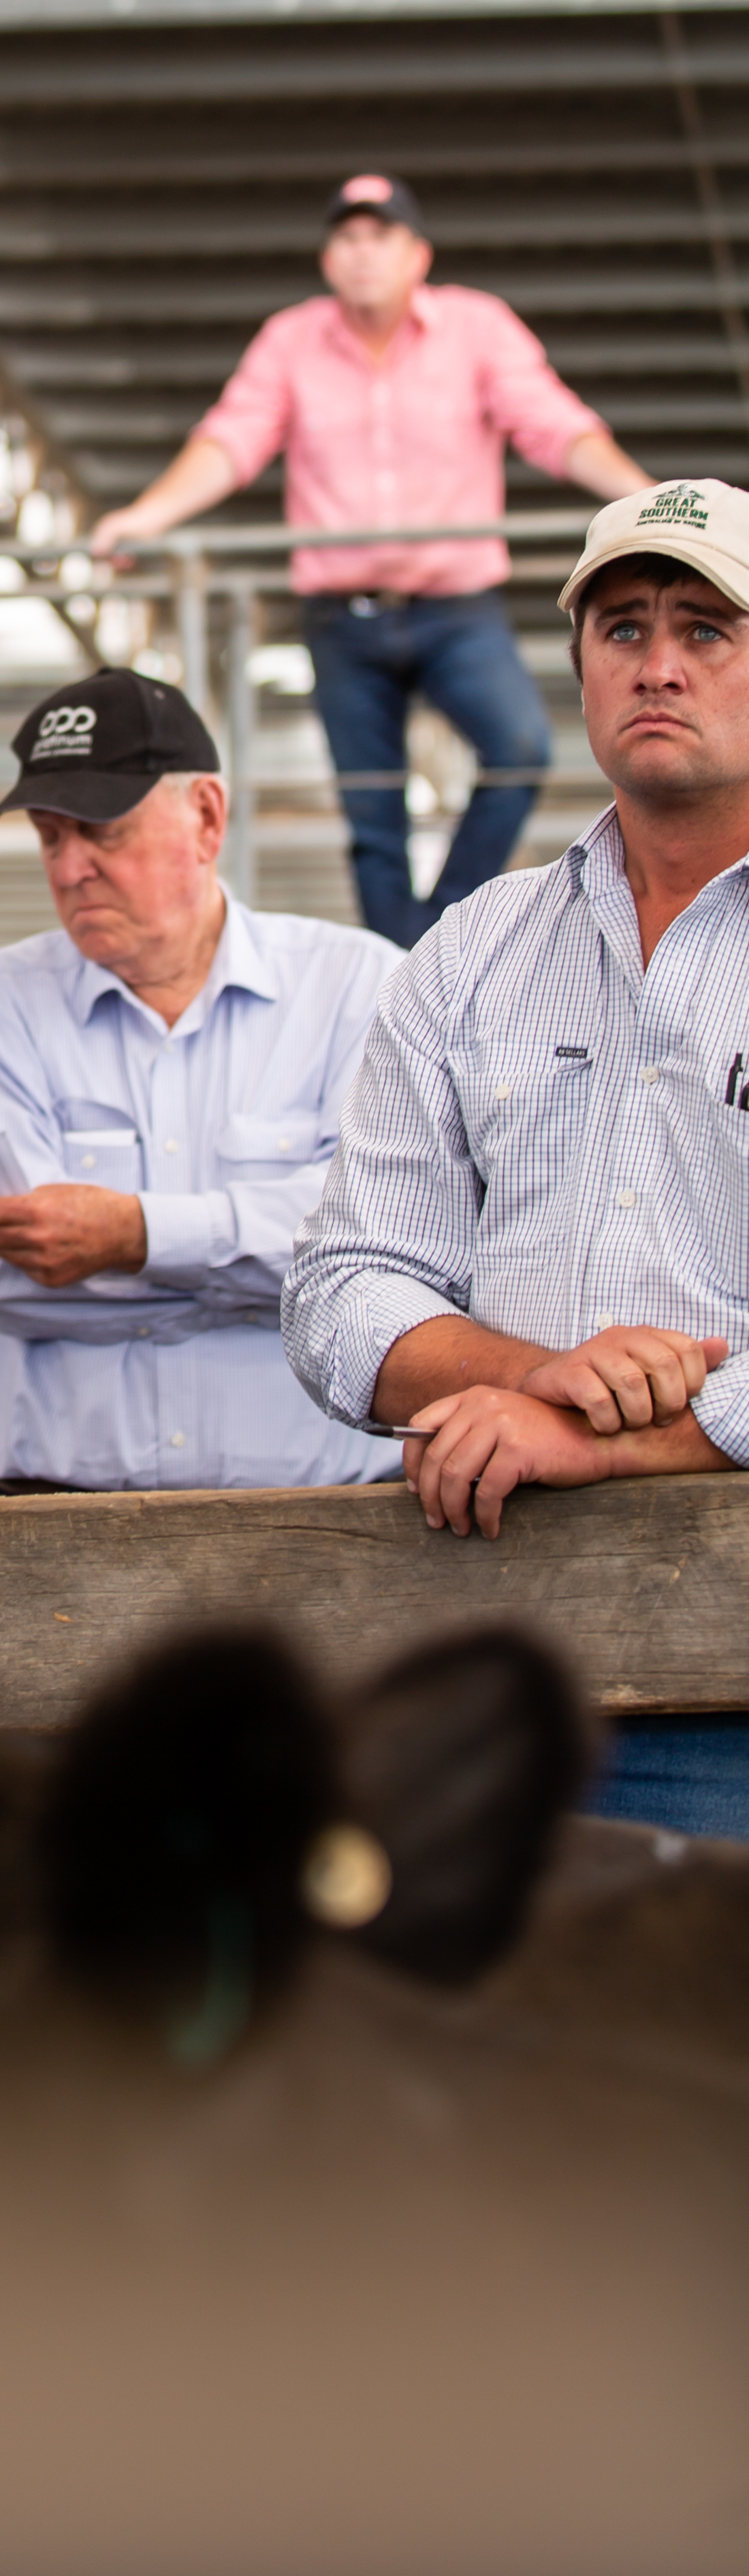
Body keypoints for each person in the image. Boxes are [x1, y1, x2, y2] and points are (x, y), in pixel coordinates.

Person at [284, 477, 749, 1839]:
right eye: (620, 628)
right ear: (580, 670)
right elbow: (340, 1287)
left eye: (706, 629)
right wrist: (529, 1376)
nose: (656, 663)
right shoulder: (476, 950)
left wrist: (603, 1443)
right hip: (479, 1664)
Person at [90, 172, 650, 947]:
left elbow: (551, 425)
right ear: (327, 259)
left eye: (379, 236)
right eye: (345, 238)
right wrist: (144, 517)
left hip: (454, 606)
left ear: (417, 254)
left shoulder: (476, 327)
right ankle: (401, 967)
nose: (361, 253)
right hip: (340, 618)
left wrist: (648, 502)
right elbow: (233, 439)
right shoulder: (290, 340)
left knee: (519, 749)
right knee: (369, 815)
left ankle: (450, 927)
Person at [0, 669, 400, 1493]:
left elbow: (379, 1253)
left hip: (327, 1522)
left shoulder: (359, 989)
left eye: (99, 830)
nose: (69, 866)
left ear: (207, 817)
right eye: (48, 835)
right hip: (35, 1515)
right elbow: (14, 1285)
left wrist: (133, 1234)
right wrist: (268, 1278)